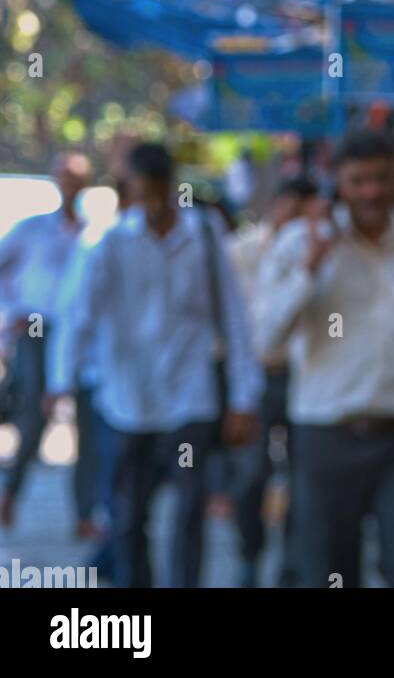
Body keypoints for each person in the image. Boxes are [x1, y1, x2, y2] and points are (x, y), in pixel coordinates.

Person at [254, 129, 394, 588]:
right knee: (329, 571)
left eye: (380, 179)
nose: (371, 191)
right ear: (338, 183)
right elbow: (265, 341)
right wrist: (310, 268)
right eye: (358, 181)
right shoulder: (301, 245)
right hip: (325, 437)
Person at [49, 142, 261, 588]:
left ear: (169, 189)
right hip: (127, 403)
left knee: (188, 516)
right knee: (127, 518)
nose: (149, 205)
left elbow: (235, 319)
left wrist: (244, 396)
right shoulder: (107, 242)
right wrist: (60, 381)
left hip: (189, 402)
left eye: (157, 194)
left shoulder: (202, 236)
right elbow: (76, 316)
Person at [228, 175, 317, 587]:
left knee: (303, 481)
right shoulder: (243, 251)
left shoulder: (318, 250)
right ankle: (250, 555)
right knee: (251, 476)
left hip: (303, 380)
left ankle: (292, 567)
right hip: (257, 379)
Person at [0, 152, 91, 529]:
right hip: (38, 329)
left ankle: (85, 514)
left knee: (88, 421)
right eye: (64, 177)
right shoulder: (31, 228)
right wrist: (11, 314)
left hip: (81, 333)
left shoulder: (93, 231)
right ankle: (11, 494)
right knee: (34, 416)